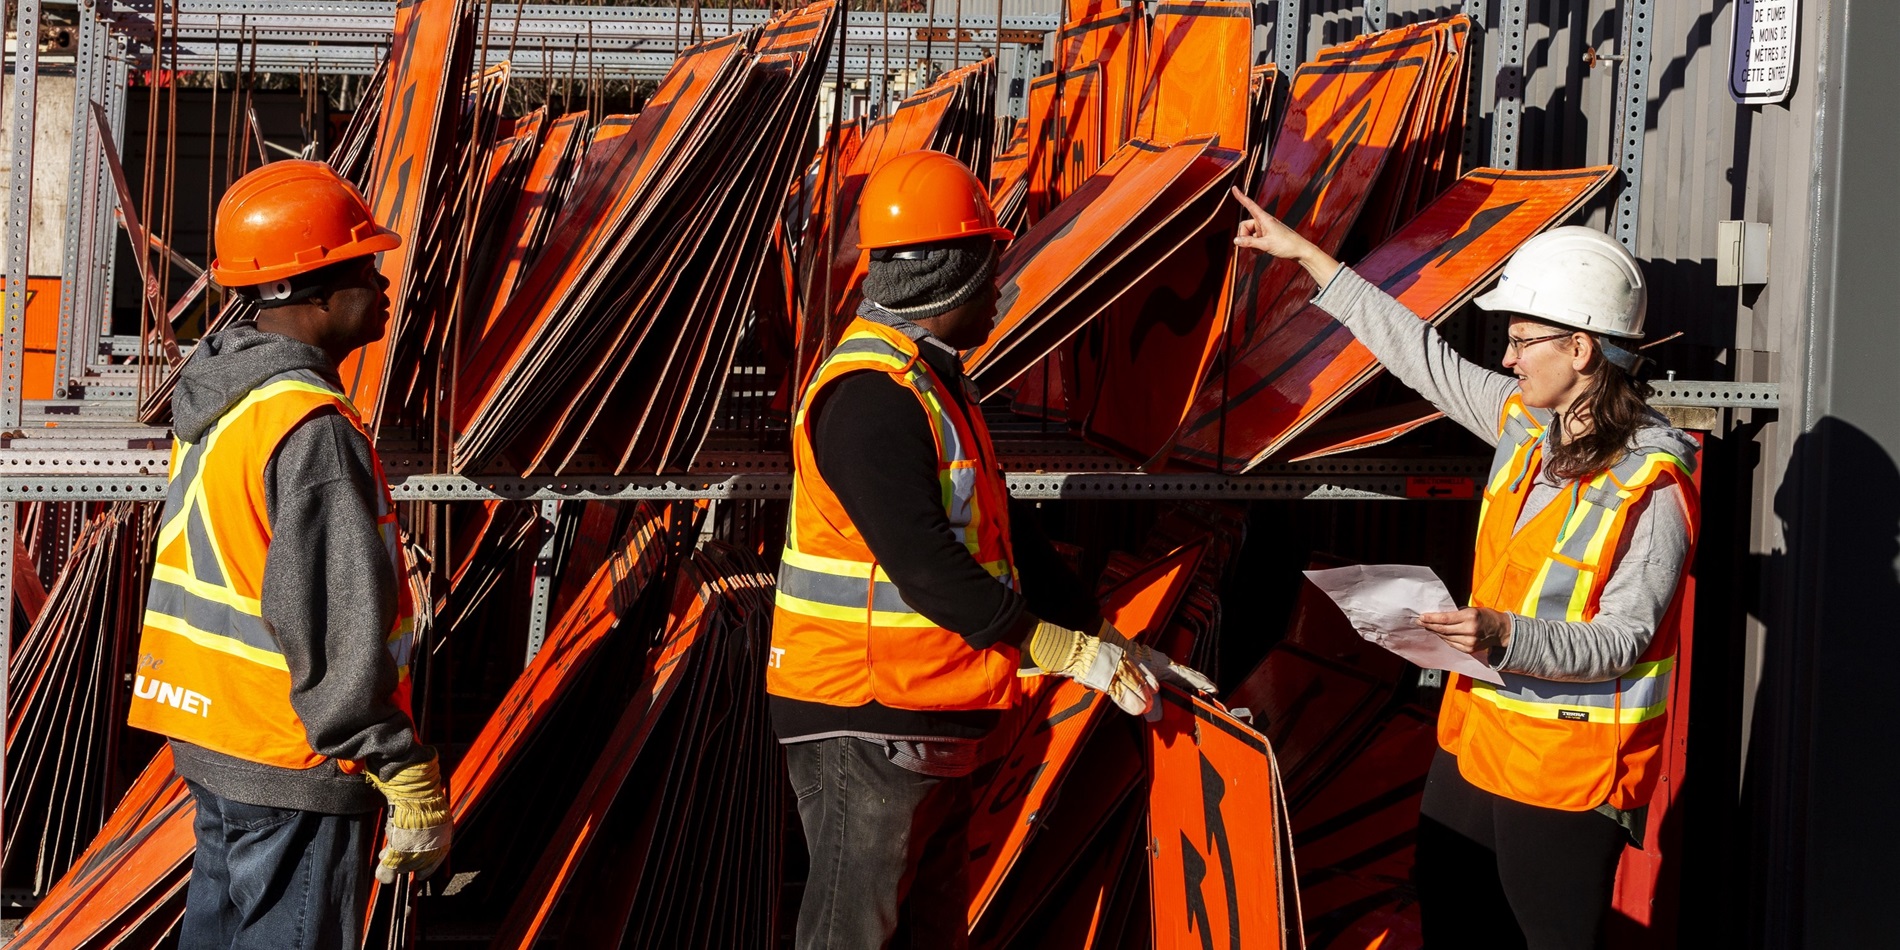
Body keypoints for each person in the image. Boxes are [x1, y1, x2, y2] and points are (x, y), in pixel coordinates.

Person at [767, 150, 1214, 950]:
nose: (1001, 290)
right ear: (948, 277)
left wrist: (1111, 643)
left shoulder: (933, 385)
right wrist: (1062, 652)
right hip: (866, 716)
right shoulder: (870, 400)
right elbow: (929, 570)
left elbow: (1014, 542)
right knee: (851, 936)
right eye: (991, 269)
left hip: (925, 715)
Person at [1230, 189, 1699, 950]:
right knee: (1452, 915)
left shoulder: (1651, 486)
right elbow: (1422, 357)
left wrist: (1504, 637)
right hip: (1479, 736)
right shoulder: (1527, 424)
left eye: (1520, 341)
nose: (1506, 359)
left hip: (1564, 769)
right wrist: (1311, 259)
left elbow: (1625, 639)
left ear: (1580, 350)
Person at [127, 160, 451, 949]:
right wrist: (396, 761)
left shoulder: (229, 398)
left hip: (220, 738)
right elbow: (333, 616)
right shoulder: (311, 428)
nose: (383, 286)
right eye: (365, 270)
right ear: (312, 291)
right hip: (294, 759)